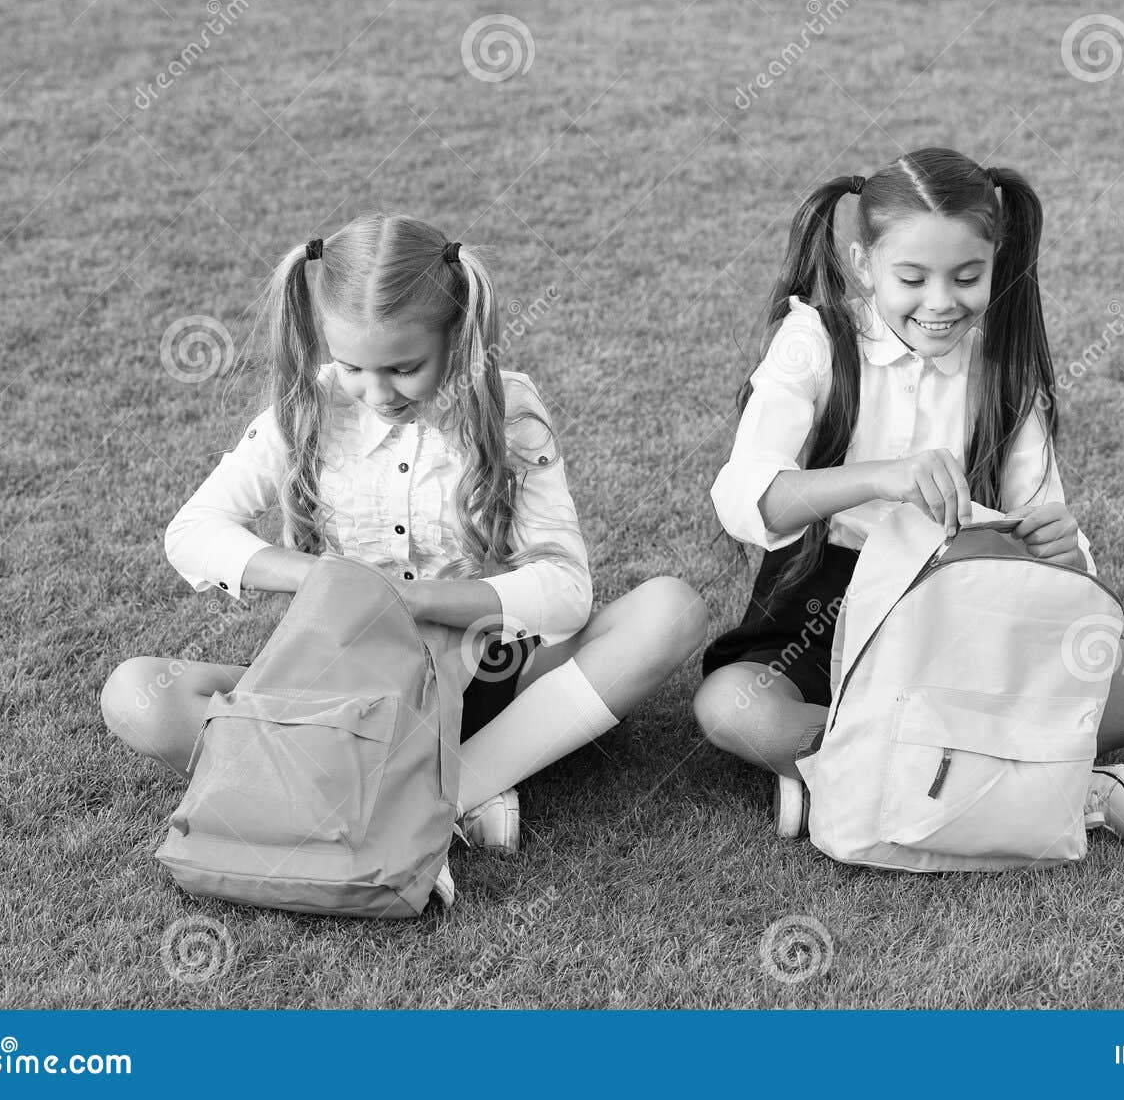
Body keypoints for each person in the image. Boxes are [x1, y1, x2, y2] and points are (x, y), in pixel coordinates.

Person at [101, 212, 708, 900]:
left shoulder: (508, 408)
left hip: (489, 680)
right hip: (343, 700)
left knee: (671, 609)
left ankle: (436, 797)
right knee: (135, 695)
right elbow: (193, 529)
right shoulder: (306, 409)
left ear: (457, 335)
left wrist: (412, 601)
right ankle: (439, 796)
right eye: (353, 366)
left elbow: (566, 590)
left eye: (404, 367)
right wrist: (326, 579)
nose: (377, 391)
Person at [693, 148, 1124, 843]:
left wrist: (1063, 552)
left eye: (966, 276)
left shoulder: (1004, 375)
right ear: (864, 265)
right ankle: (1035, 780)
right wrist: (882, 477)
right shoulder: (816, 340)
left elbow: (1053, 538)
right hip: (826, 601)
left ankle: (845, 779)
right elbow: (747, 498)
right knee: (730, 707)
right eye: (911, 277)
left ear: (994, 263)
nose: (940, 301)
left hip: (962, 607)